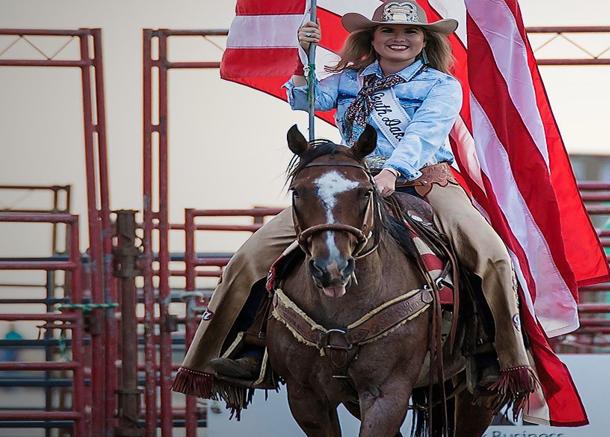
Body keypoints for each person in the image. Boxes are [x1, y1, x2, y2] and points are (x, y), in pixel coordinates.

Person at [174, 1, 535, 403]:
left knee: (491, 255)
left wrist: (392, 172)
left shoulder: (441, 85)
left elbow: (424, 133)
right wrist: (304, 55)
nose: (399, 39)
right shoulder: (349, 79)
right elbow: (304, 99)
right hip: (351, 185)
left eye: (410, 32)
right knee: (249, 256)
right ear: (372, 38)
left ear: (424, 41)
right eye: (388, 31)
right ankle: (239, 349)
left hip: (425, 181)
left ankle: (498, 354)